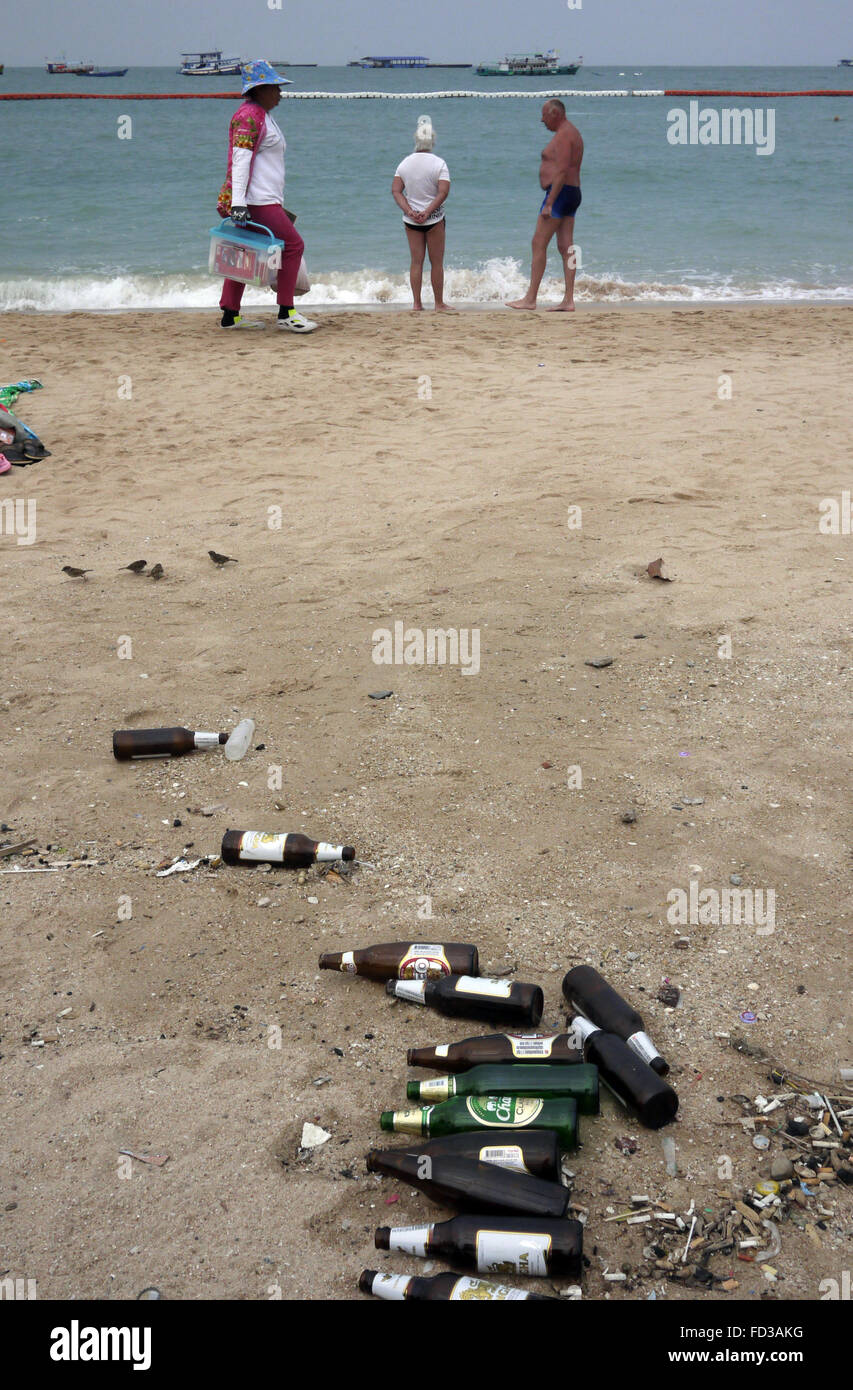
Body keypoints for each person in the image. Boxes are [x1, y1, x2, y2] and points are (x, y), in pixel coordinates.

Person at [216, 60, 317, 333]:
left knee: (244, 250)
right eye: (275, 87)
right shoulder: (250, 115)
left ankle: (230, 315)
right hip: (256, 201)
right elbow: (241, 159)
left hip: (261, 199)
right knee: (294, 246)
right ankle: (286, 312)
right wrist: (238, 203)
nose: (280, 93)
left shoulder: (261, 114)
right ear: (260, 89)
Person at [507, 100, 583, 312]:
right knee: (566, 246)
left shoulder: (563, 135)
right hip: (572, 192)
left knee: (538, 243)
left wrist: (550, 202)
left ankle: (530, 298)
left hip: (560, 194)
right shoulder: (572, 132)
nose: (542, 120)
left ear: (555, 113)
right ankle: (568, 300)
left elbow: (561, 170)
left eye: (544, 116)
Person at [392, 116, 454, 312]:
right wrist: (428, 211)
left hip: (411, 220)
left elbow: (396, 190)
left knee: (416, 262)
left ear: (415, 140)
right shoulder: (439, 163)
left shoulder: (405, 163)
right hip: (434, 218)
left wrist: (410, 210)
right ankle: (438, 303)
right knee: (437, 263)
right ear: (432, 141)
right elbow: (443, 192)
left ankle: (417, 304)